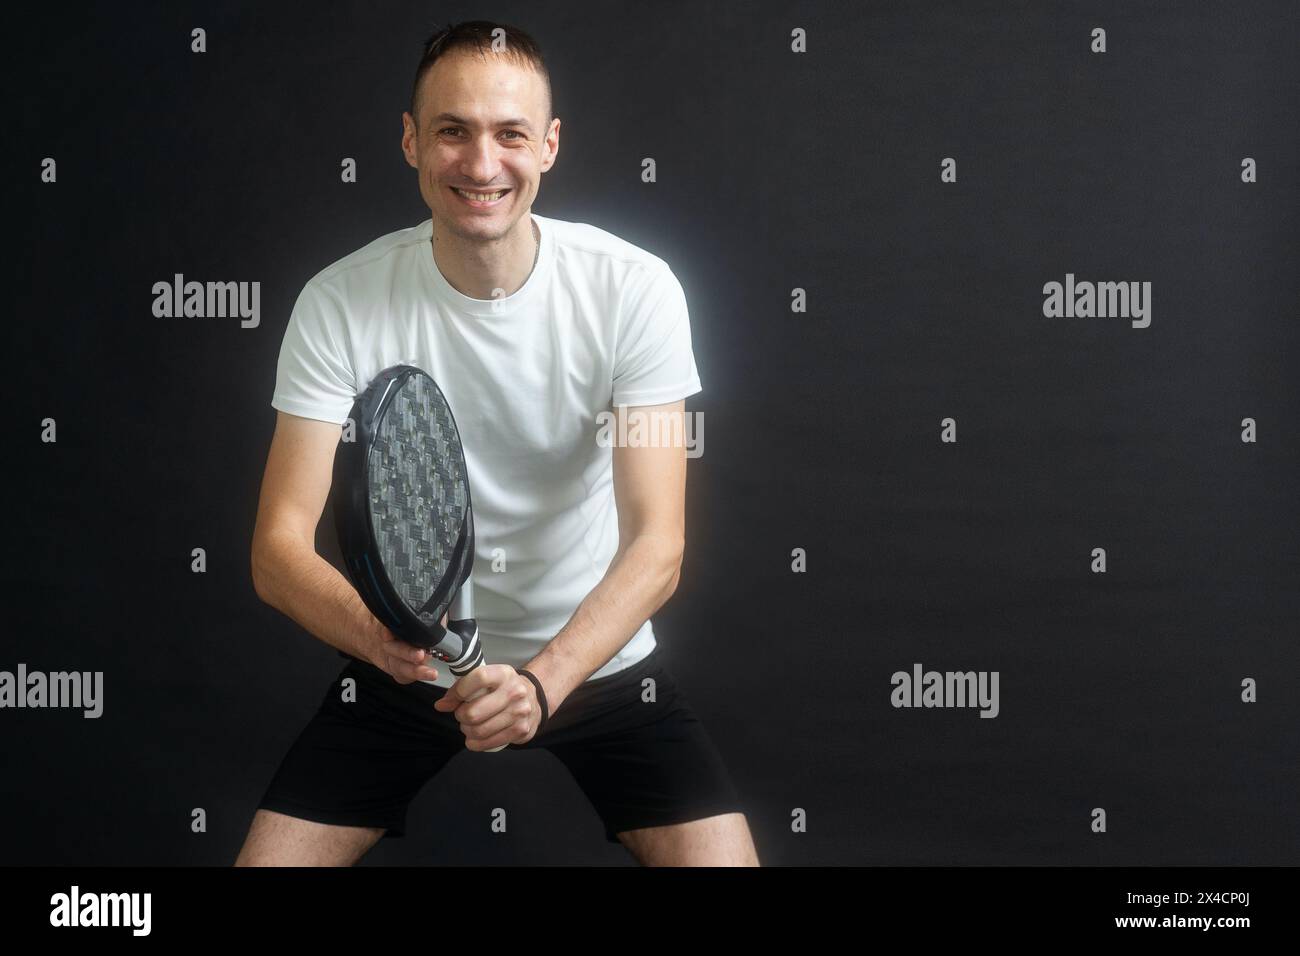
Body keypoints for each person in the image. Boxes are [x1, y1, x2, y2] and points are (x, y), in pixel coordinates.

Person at [235, 20, 758, 866]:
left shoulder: (638, 292)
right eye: (453, 131)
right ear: (410, 140)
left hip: (596, 662)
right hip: (408, 665)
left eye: (510, 133)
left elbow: (659, 543)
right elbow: (277, 550)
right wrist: (388, 645)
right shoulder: (337, 302)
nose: (482, 166)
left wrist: (543, 684)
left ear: (548, 146)